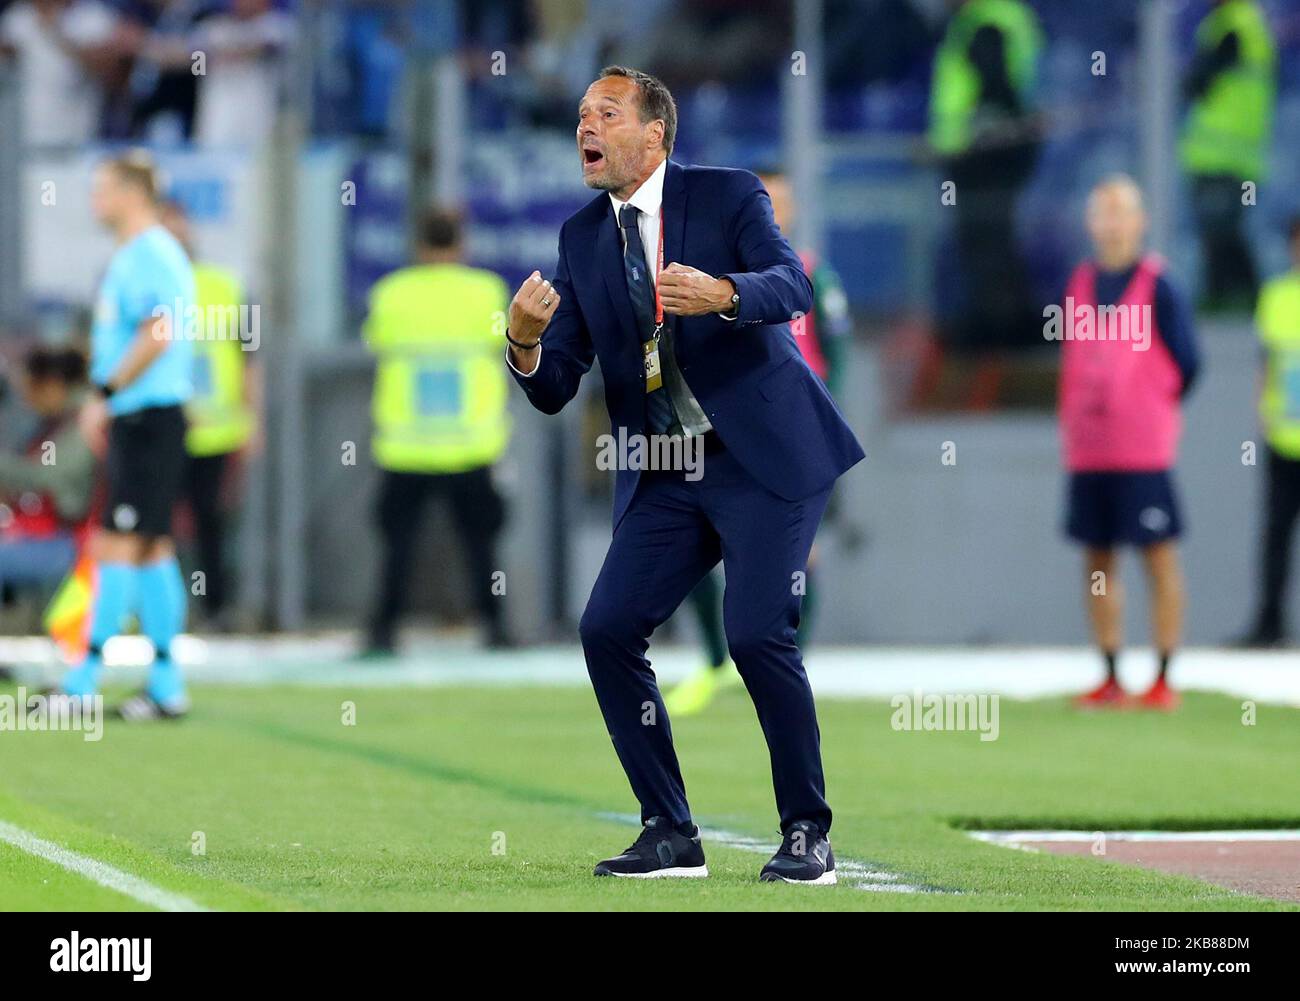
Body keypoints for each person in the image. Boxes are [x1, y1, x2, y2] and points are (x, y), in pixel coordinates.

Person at [505, 67, 864, 882]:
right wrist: (522, 342)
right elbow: (557, 383)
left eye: (605, 113)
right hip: (668, 463)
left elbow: (792, 283)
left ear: (653, 134)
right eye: (580, 116)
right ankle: (669, 830)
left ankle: (808, 830)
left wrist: (723, 293)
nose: (584, 128)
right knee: (605, 627)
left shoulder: (730, 195)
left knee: (753, 633)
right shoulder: (582, 238)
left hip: (764, 454)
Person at [664, 166, 853, 718]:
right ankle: (717, 662)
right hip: (721, 435)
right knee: (693, 548)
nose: (771, 210)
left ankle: (790, 665)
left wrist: (812, 428)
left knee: (801, 553)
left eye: (780, 201)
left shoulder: (814, 275)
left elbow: (836, 361)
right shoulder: (715, 279)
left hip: (793, 435)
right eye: (763, 200)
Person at [56, 151, 195, 721]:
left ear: (134, 193)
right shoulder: (135, 255)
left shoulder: (152, 253)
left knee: (115, 544)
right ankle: (165, 685)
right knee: (150, 545)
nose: (96, 201)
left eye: (104, 190)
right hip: (143, 418)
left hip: (148, 417)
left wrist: (106, 394)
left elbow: (159, 331)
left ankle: (82, 681)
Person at [1059, 176, 1200, 712]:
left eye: (1122, 213)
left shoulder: (1161, 285)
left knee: (1158, 558)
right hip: (1089, 448)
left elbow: (1188, 362)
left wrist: (1148, 406)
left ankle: (1163, 675)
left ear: (1140, 221)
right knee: (1098, 562)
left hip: (1142, 451)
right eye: (1103, 213)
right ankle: (1111, 673)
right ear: (1092, 223)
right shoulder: (1078, 284)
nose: (1112, 224)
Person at [362, 206, 514, 655]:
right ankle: (497, 629)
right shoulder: (486, 291)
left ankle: (382, 632)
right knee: (482, 548)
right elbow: (504, 345)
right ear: (461, 243)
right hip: (472, 444)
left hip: (405, 447)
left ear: (419, 245)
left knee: (397, 549)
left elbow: (377, 341)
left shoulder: (391, 293)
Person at [160, 199, 260, 631]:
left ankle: (215, 609)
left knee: (210, 526)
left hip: (216, 431)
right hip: (161, 427)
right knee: (152, 527)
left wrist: (253, 420)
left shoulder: (225, 287)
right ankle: (159, 613)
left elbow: (250, 357)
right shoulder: (145, 287)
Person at [928, 0, 1043, 354]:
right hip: (993, 151)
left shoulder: (984, 21)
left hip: (982, 154)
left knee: (984, 241)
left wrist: (984, 130)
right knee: (993, 238)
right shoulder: (1005, 15)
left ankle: (999, 332)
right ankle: (1008, 327)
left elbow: (996, 83)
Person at [1180, 0, 1276, 313]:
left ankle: (1236, 296)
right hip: (1235, 154)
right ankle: (1235, 297)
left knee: (1221, 232)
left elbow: (1199, 81)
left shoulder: (1231, 27)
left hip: (1221, 155)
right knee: (1223, 231)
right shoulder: (1248, 24)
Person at [1234, 217, 1300, 648]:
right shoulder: (1276, 296)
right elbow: (1266, 362)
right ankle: (1268, 626)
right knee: (1276, 536)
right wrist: (1261, 412)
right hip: (1283, 440)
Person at [0, 347, 97, 607]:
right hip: (41, 533)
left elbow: (47, 476)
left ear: (52, 385)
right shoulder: (55, 422)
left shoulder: (83, 422)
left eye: (31, 388)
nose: (26, 397)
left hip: (71, 542)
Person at [0, 0, 126, 146]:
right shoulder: (19, 15)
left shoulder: (93, 16)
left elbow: (108, 72)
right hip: (28, 135)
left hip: (79, 137)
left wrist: (55, 32)